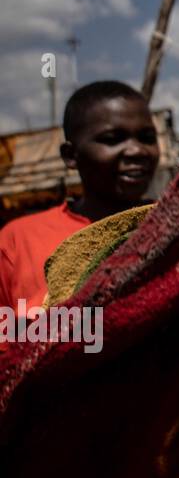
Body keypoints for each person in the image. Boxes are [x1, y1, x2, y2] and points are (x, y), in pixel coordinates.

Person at [0, 81, 160, 314]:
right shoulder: (18, 242)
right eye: (113, 139)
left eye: (147, 137)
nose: (137, 150)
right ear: (71, 155)